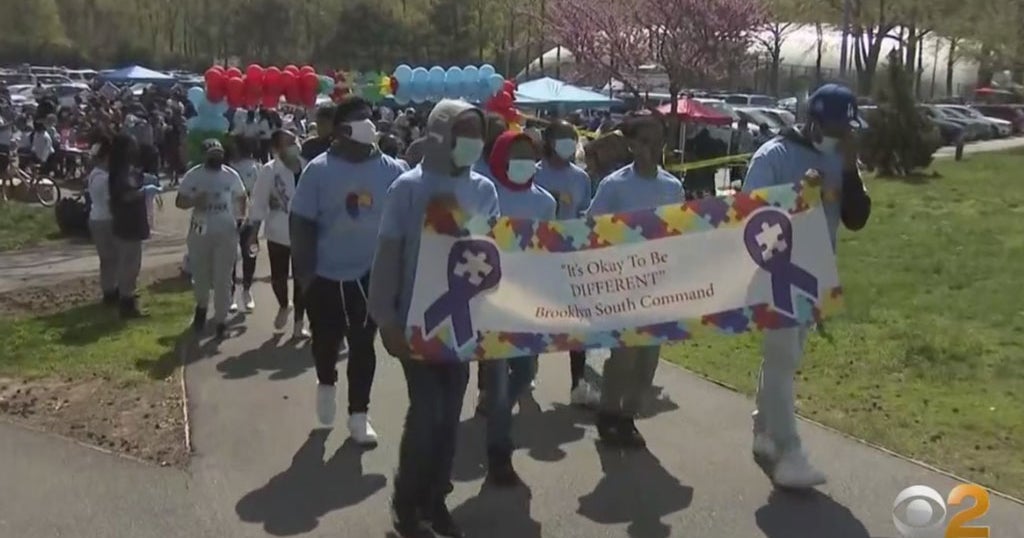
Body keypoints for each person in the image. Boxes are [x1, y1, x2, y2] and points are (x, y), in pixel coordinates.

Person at [369, 99, 498, 538]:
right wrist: (385, 319)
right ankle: (407, 503)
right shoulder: (407, 188)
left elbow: (493, 254)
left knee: (450, 415)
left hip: (462, 324)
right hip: (414, 323)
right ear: (441, 133)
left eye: (478, 132)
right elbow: (388, 255)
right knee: (427, 412)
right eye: (464, 131)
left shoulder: (484, 189)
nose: (473, 141)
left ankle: (435, 499)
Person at [742, 83, 871, 488]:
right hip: (775, 271)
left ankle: (764, 430)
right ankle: (790, 453)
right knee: (782, 359)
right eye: (833, 129)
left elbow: (856, 218)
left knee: (786, 357)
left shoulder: (841, 160)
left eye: (846, 129)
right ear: (812, 122)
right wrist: (796, 195)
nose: (839, 136)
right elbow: (747, 215)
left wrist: (848, 169)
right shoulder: (775, 155)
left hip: (815, 272)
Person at [290, 95, 406, 442]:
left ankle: (359, 415)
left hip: (370, 275)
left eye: (370, 116)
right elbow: (301, 223)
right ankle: (326, 382)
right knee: (326, 344)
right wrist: (306, 276)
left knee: (362, 344)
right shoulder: (318, 170)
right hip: (325, 276)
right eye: (360, 118)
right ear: (342, 130)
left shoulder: (393, 170)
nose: (369, 123)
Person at [587, 110, 682, 449]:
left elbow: (681, 233)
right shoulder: (615, 186)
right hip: (622, 283)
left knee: (647, 359)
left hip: (657, 286)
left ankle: (628, 416)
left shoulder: (673, 187)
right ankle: (609, 414)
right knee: (624, 356)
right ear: (631, 144)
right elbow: (591, 227)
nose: (650, 147)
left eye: (656, 140)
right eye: (643, 141)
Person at [481, 130, 556, 487]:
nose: (524, 161)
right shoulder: (485, 193)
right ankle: (499, 451)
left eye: (530, 154)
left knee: (524, 373)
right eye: (516, 154)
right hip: (491, 300)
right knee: (497, 380)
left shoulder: (545, 202)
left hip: (528, 302)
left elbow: (550, 249)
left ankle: (497, 411)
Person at [533, 120, 601, 407]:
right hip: (538, 256)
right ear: (549, 142)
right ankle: (528, 367)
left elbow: (585, 212)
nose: (568, 144)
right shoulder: (534, 173)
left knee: (578, 321)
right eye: (562, 138)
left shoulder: (580, 178)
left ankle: (578, 382)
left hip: (572, 256)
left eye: (572, 138)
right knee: (534, 316)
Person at [176, 140, 248, 339]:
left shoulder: (231, 175)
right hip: (200, 231)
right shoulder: (194, 175)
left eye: (219, 153)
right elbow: (180, 201)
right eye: (212, 154)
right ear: (204, 156)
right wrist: (194, 200)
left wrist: (241, 218)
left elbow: (241, 196)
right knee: (201, 275)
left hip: (226, 231)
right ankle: (201, 306)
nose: (216, 157)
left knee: (223, 277)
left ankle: (221, 320)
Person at [250, 129, 309, 337]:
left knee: (302, 280)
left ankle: (299, 323)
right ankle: (284, 305)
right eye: (288, 142)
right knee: (278, 278)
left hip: (305, 233)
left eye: (295, 140)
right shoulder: (269, 171)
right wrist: (253, 232)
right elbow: (259, 201)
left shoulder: (309, 167)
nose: (294, 144)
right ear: (276, 148)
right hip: (278, 232)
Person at [107, 132, 152, 318]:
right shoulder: (121, 172)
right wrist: (144, 192)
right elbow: (125, 196)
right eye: (132, 145)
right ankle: (127, 302)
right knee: (130, 264)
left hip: (130, 221)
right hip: (128, 222)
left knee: (130, 262)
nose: (136, 148)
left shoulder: (126, 169)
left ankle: (127, 295)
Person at [227, 137, 261, 313]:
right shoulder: (226, 168)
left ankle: (247, 290)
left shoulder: (255, 168)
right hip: (230, 218)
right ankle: (230, 294)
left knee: (251, 254)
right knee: (230, 257)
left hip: (250, 218)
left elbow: (259, 193)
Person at [86, 137, 119, 306]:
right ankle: (110, 290)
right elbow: (109, 201)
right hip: (105, 219)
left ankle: (110, 288)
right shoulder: (103, 178)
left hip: (96, 217)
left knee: (107, 259)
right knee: (111, 258)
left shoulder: (94, 174)